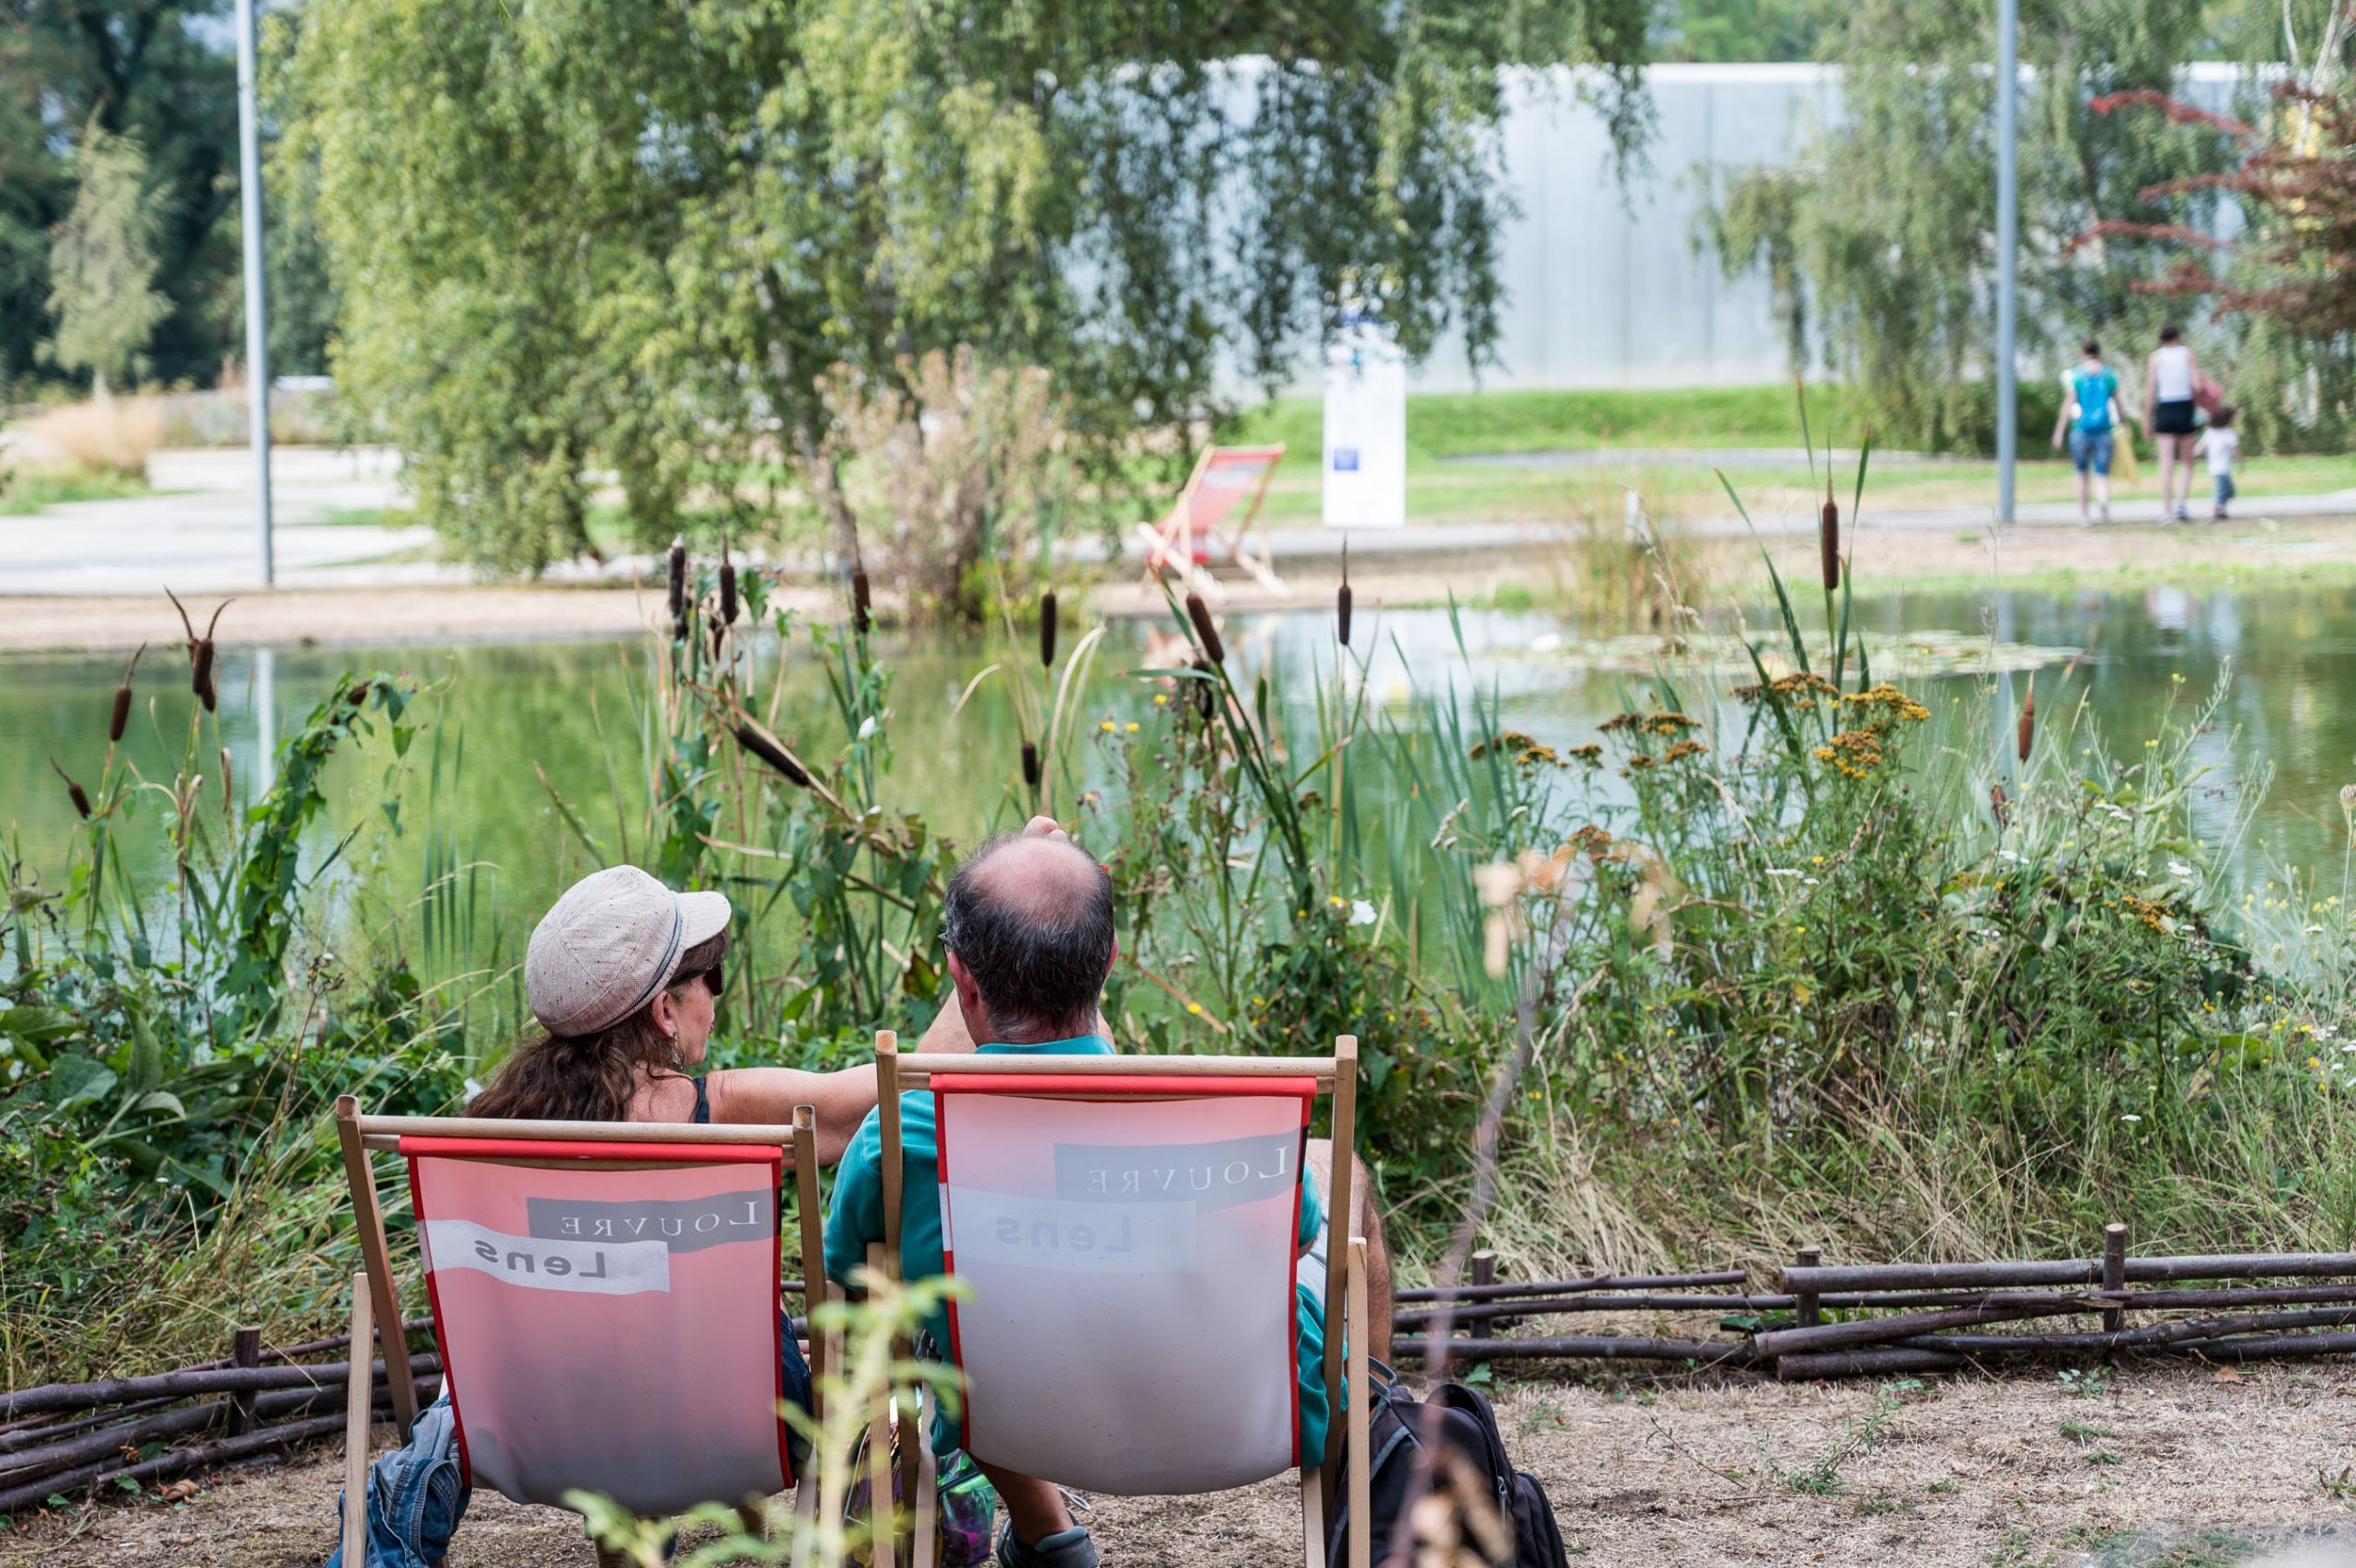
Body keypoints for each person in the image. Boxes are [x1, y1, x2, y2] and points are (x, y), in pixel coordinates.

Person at [331, 864, 933, 1568]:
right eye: (710, 974)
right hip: (737, 1425)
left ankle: (420, 1485)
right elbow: (897, 1089)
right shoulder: (721, 1112)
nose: (717, 994)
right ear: (664, 1013)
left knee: (581, 1325)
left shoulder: (489, 1135)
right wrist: (975, 960)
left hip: (539, 1420)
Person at [824, 830, 1396, 1568]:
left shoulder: (900, 1138)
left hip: (1010, 1420)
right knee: (1342, 1178)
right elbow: (1301, 1237)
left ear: (962, 981)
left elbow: (851, 1272)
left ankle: (1048, 1534)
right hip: (1251, 1420)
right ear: (1111, 962)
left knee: (928, 1299)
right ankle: (1376, 1491)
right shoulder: (1233, 1121)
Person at [2050, 339, 2131, 527]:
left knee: (2082, 474)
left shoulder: (2077, 376)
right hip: (2104, 430)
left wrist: (2059, 432)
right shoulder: (2109, 375)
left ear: (2083, 353)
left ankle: (2084, 516)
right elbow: (2119, 404)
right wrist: (2124, 423)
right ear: (2099, 352)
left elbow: (2067, 404)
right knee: (2101, 473)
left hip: (2081, 431)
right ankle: (2103, 503)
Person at [2145, 324, 2203, 525]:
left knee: (2166, 462)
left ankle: (2166, 512)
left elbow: (2151, 389)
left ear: (2161, 338)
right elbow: (2196, 385)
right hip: (2185, 406)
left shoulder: (2156, 358)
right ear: (2179, 336)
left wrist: (2147, 418)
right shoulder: (2187, 354)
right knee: (2187, 461)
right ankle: (2181, 504)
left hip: (2165, 408)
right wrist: (2197, 407)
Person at [2196, 404, 2241, 522]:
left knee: (2229, 491)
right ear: (2227, 419)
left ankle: (2221, 511)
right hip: (2222, 469)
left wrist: (2194, 454)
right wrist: (2240, 463)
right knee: (2221, 491)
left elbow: (2199, 447)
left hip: (2215, 469)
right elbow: (2236, 450)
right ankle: (2213, 513)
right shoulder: (2228, 433)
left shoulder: (2210, 432)